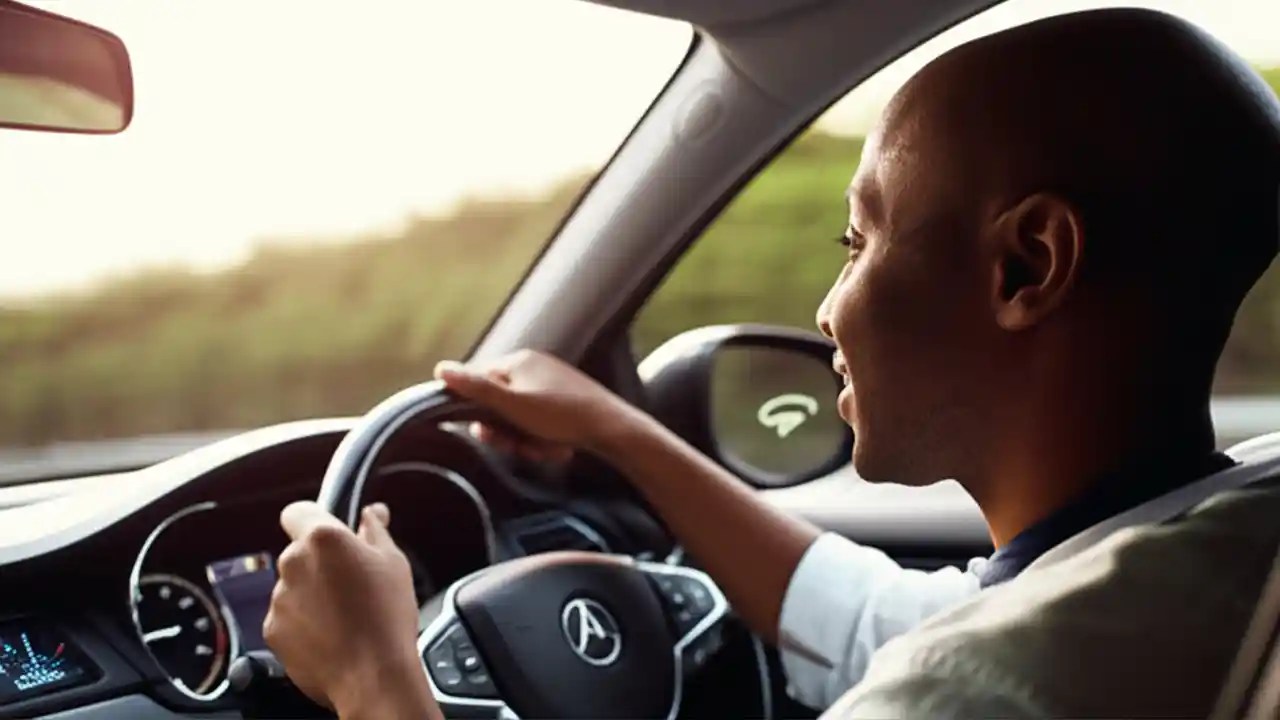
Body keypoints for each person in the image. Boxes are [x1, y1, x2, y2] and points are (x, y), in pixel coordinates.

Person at [261, 7, 1280, 719]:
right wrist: (618, 432)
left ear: (1027, 265)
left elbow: (943, 661)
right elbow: (883, 621)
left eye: (857, 241)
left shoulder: (971, 693)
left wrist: (374, 680)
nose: (827, 311)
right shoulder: (1210, 549)